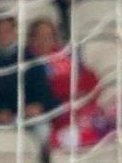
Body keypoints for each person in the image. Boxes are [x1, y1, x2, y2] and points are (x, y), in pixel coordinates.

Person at [27, 19, 115, 150]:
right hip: (60, 113)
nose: (45, 40)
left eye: (49, 36)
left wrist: (79, 91)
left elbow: (92, 80)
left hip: (85, 105)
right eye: (40, 36)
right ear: (32, 39)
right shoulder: (29, 63)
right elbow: (48, 92)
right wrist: (74, 90)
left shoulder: (66, 57)